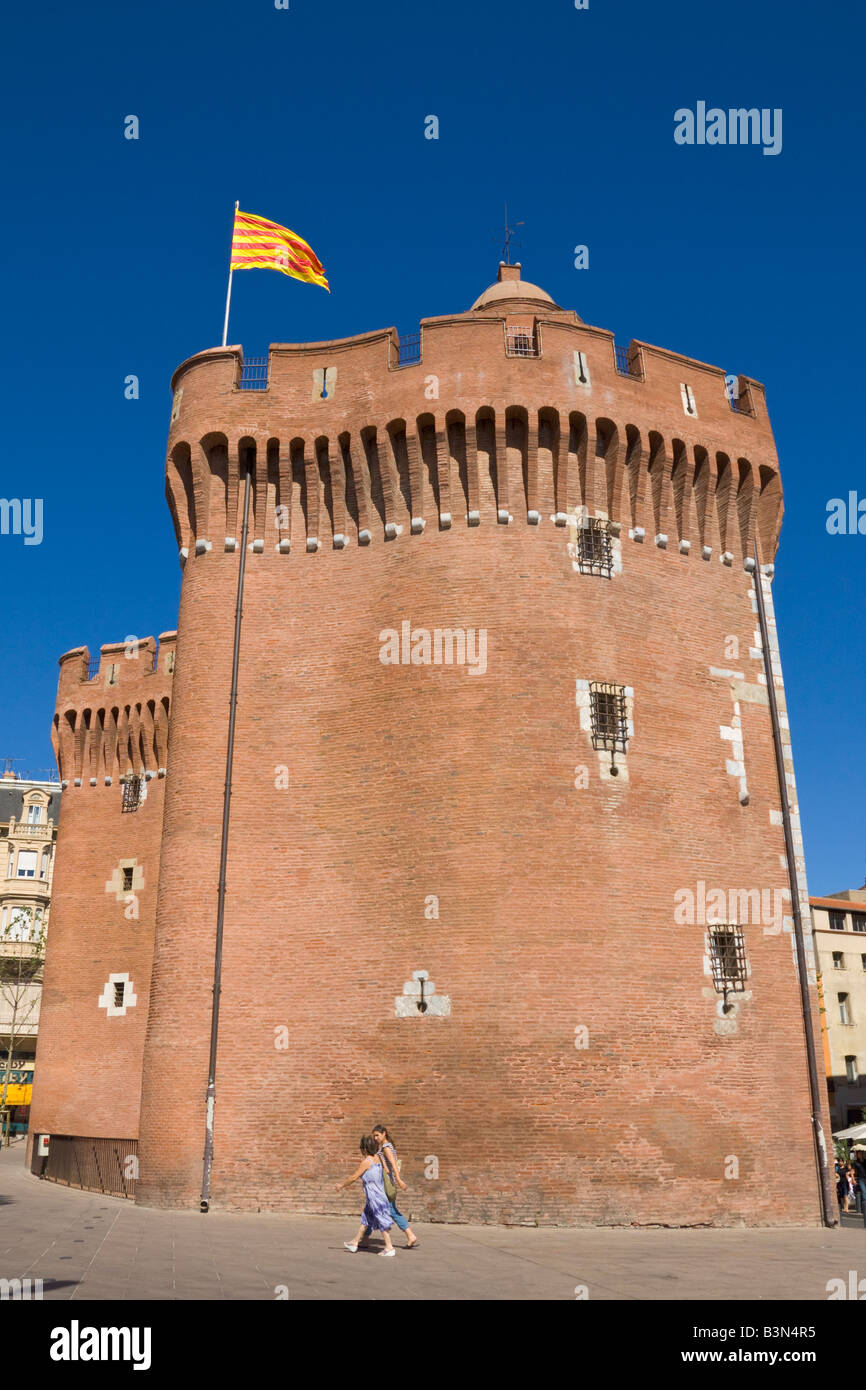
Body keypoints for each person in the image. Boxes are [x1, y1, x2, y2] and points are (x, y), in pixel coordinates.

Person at [336, 1135, 396, 1256]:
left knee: (381, 1219)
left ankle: (389, 1247)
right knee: (366, 1219)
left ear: (365, 1149)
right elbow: (387, 1170)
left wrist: (341, 1186)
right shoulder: (378, 1158)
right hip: (377, 1195)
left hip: (375, 1197)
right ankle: (355, 1242)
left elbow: (353, 1177)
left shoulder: (366, 1162)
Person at [371, 1123, 419, 1249]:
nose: (375, 1138)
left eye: (377, 1135)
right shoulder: (385, 1147)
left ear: (384, 1134)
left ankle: (410, 1235)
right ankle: (363, 1236)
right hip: (386, 1183)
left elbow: (393, 1164)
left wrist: (398, 1179)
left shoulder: (386, 1147)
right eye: (374, 1136)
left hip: (388, 1184)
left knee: (391, 1210)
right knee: (373, 1208)